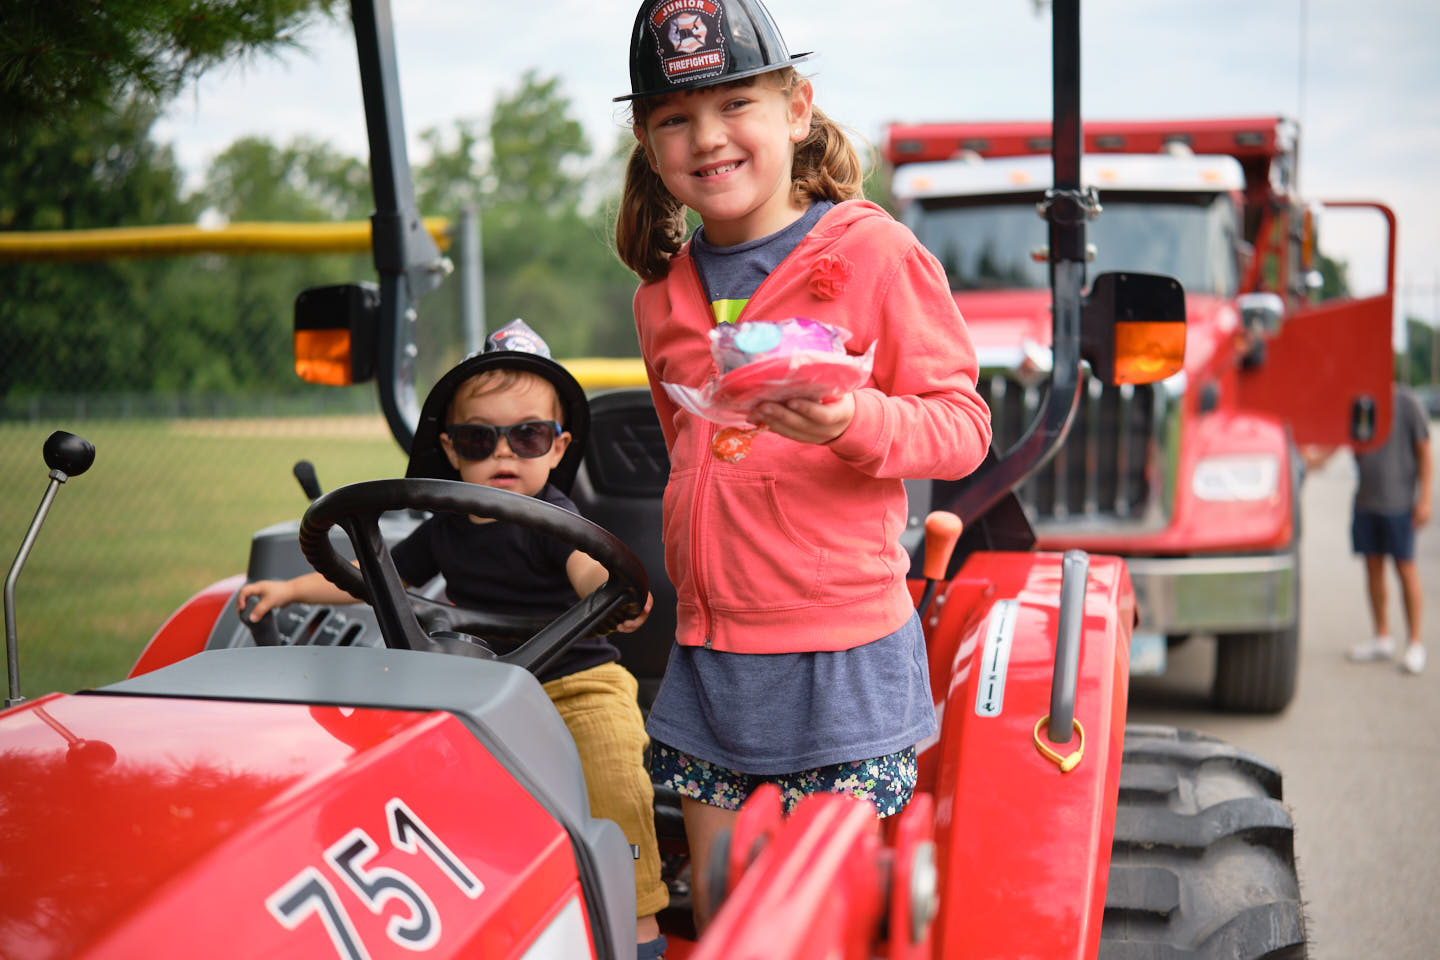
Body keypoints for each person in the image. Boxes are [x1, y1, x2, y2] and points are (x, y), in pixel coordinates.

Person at [612, 0, 992, 931]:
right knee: (727, 910)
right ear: (648, 139)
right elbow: (693, 451)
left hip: (840, 654)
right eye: (675, 119)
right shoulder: (663, 296)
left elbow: (961, 426)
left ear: (796, 108)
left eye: (735, 104)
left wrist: (849, 422)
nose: (707, 138)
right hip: (709, 656)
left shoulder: (872, 253)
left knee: (829, 918)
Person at [237, 319, 670, 960]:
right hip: (476, 687)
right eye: (479, 438)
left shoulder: (558, 520)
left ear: (558, 447)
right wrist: (293, 590)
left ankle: (636, 926)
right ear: (450, 448)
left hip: (579, 683)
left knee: (614, 773)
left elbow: (589, 569)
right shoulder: (444, 527)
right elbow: (378, 578)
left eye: (528, 436)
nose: (504, 453)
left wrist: (612, 590)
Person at [1335, 382, 1431, 673]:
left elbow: (1425, 451)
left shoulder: (1407, 402)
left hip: (1399, 503)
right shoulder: (1359, 400)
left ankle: (1414, 643)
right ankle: (1382, 637)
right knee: (1373, 569)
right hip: (1366, 501)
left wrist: (1424, 499)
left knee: (1405, 570)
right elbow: (1343, 441)